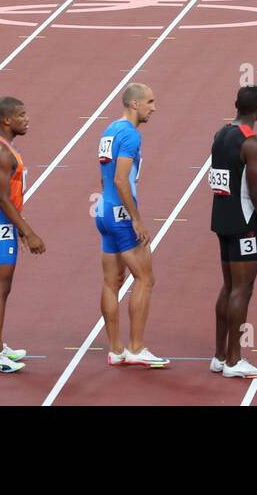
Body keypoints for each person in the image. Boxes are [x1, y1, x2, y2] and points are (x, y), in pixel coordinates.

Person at [209, 85, 257, 379]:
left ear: (235, 105)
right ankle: (234, 359)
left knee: (228, 287)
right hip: (245, 224)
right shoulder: (252, 143)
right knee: (243, 290)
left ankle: (219, 356)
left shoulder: (220, 134)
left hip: (222, 218)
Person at [94, 83, 167, 368]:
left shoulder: (109, 130)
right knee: (145, 279)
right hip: (121, 214)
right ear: (134, 104)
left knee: (111, 282)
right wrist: (136, 218)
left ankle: (116, 349)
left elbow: (105, 176)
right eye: (149, 101)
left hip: (104, 210)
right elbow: (121, 179)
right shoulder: (131, 136)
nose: (154, 107)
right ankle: (136, 348)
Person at [0, 96, 45, 373]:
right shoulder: (0, 151)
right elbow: (4, 200)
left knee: (4, 287)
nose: (26, 119)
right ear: (6, 120)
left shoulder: (2, 145)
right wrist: (28, 232)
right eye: (21, 115)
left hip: (2, 218)